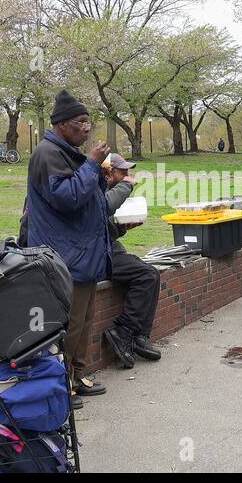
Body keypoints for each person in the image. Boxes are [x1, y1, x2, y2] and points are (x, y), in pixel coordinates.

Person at [23, 90, 111, 405]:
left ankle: (77, 375)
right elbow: (67, 198)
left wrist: (103, 179)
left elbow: (84, 196)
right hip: (63, 256)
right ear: (61, 124)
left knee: (84, 320)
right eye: (80, 123)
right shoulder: (47, 153)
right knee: (67, 324)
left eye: (89, 122)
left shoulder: (66, 152)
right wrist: (91, 165)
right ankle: (59, 385)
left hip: (81, 254)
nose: (87, 129)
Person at [100, 153, 163, 368]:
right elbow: (94, 232)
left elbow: (105, 232)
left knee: (151, 273)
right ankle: (124, 330)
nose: (128, 176)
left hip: (105, 248)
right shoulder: (101, 193)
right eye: (123, 172)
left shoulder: (111, 193)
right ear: (109, 174)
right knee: (146, 274)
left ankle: (140, 335)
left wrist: (121, 228)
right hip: (95, 255)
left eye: (128, 171)